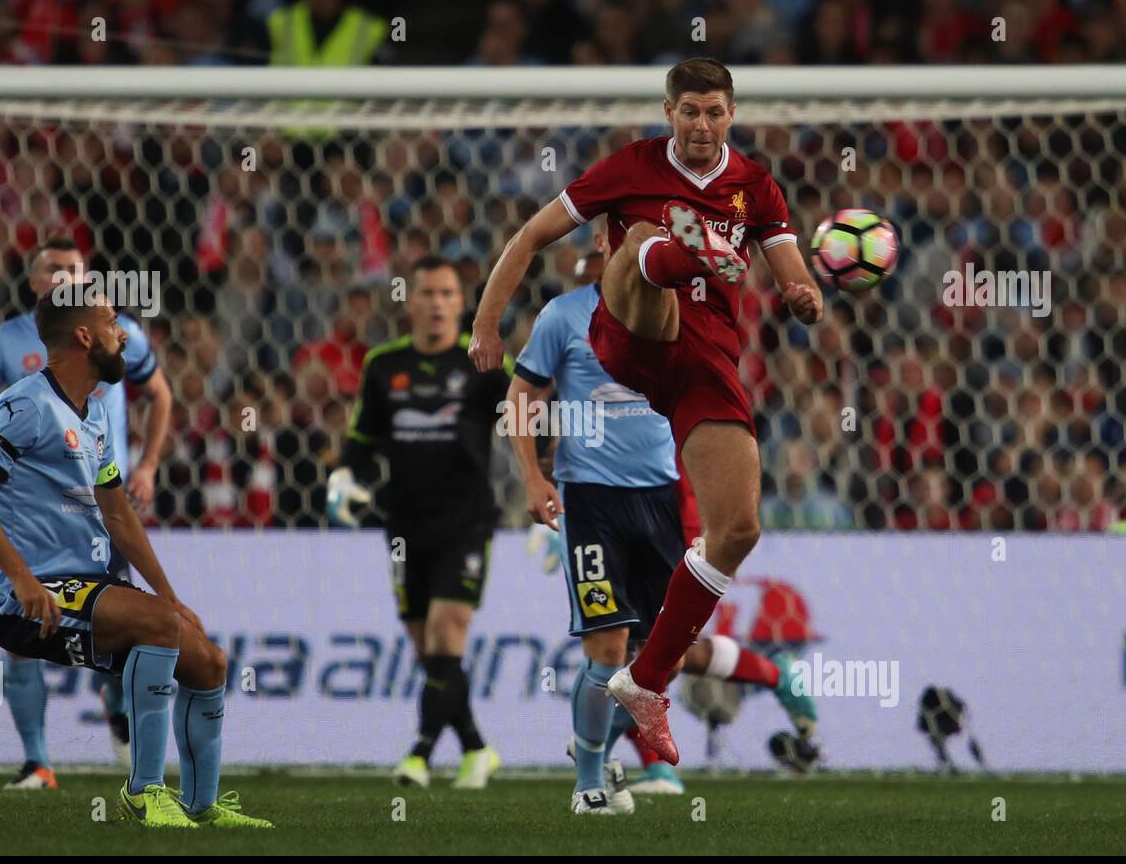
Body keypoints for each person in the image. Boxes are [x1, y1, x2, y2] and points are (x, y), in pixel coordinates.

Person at [471, 58, 823, 764]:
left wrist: (806, 296)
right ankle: (681, 252)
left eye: (713, 112)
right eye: (688, 110)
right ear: (669, 113)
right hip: (628, 338)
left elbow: (794, 278)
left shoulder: (756, 187)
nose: (700, 124)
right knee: (636, 242)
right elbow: (531, 236)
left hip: (703, 367)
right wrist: (487, 323)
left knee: (738, 530)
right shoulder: (628, 168)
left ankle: (645, 683)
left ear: (732, 115)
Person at [506, 226, 814, 814]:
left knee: (663, 659)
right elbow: (523, 396)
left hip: (664, 499)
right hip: (591, 500)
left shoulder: (686, 313)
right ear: (603, 238)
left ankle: (598, 752)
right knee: (606, 647)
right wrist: (532, 477)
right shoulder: (565, 315)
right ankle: (590, 783)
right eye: (617, 224)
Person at [0, 284, 269, 828]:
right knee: (160, 628)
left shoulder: (95, 414)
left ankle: (202, 805)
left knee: (209, 661)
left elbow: (118, 513)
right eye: (111, 322)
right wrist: (21, 578)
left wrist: (171, 597)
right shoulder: (26, 405)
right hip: (23, 596)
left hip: (87, 584)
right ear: (84, 335)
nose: (122, 333)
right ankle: (143, 793)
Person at [0, 237, 172, 788]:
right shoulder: (5, 345)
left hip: (101, 505)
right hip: (34, 516)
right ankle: (39, 762)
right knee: (33, 631)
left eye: (75, 268)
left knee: (126, 629)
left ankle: (125, 731)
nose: (65, 275)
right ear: (33, 282)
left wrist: (147, 465)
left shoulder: (114, 338)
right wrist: (21, 454)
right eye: (53, 268)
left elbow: (160, 395)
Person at [327, 256, 509, 789]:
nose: (436, 303)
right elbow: (362, 444)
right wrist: (344, 478)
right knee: (428, 651)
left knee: (447, 632)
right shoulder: (383, 365)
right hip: (403, 525)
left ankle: (420, 754)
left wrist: (546, 478)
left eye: (447, 293)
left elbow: (530, 416)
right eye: (427, 293)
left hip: (467, 521)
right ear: (410, 301)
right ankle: (477, 748)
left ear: (461, 302)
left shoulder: (485, 363)